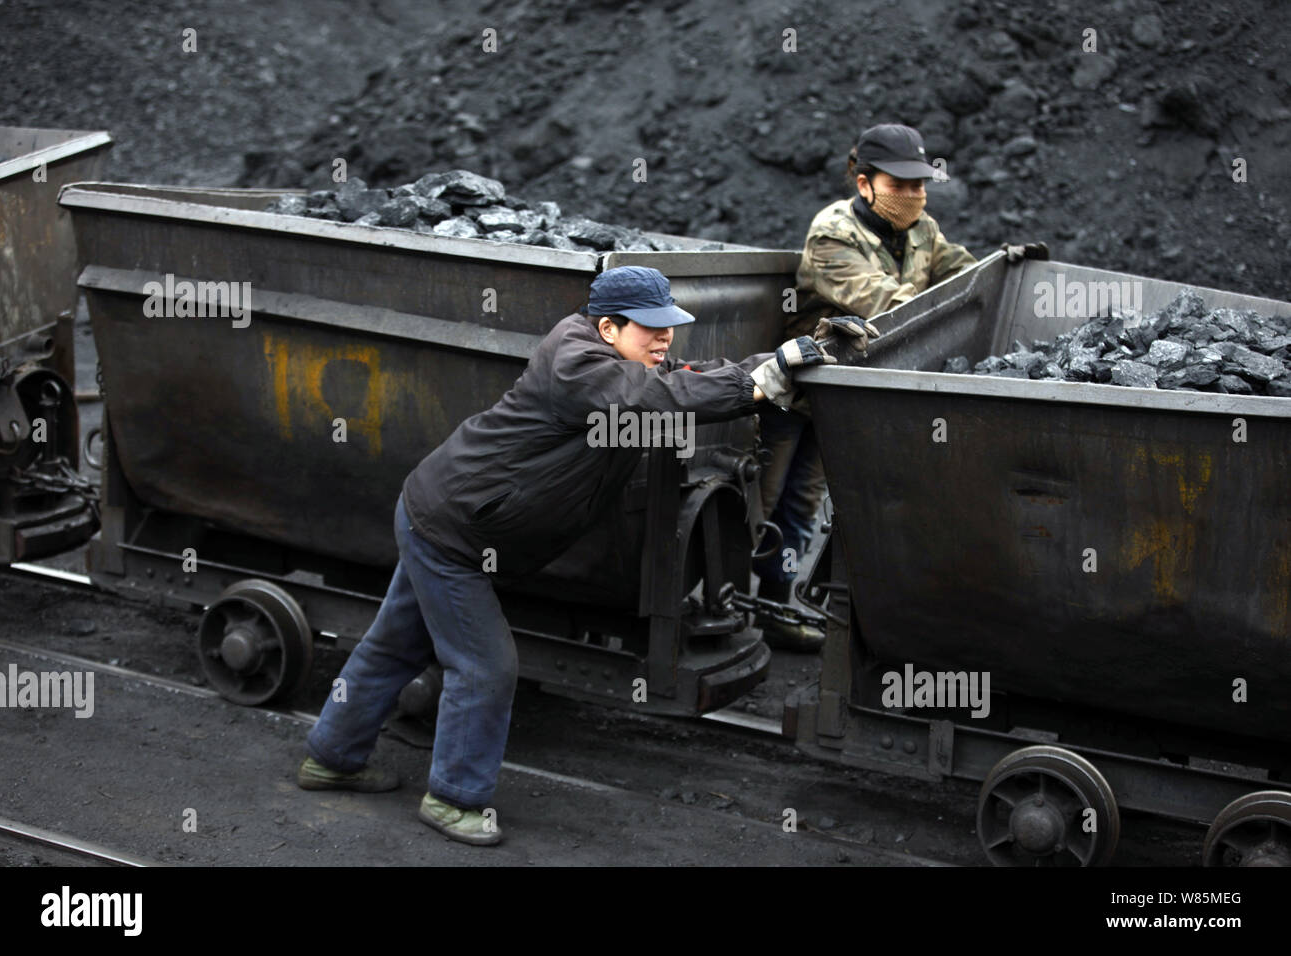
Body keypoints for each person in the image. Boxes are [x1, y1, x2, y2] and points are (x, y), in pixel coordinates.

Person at [297, 265, 830, 846]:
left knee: (396, 644)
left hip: (453, 518)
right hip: (453, 533)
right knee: (485, 667)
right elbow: (655, 397)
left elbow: (687, 377)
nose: (664, 339)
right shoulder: (576, 366)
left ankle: (330, 758)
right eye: (651, 329)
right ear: (607, 327)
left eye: (668, 326)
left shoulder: (623, 360)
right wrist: (760, 383)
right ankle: (454, 798)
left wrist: (791, 357)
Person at [753, 123, 977, 652]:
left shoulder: (923, 229)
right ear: (863, 184)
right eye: (900, 184)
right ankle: (712, 600)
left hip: (843, 396)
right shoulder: (832, 235)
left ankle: (772, 609)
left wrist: (1001, 273)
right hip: (793, 389)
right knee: (758, 503)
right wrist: (953, 309)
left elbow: (962, 271)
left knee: (802, 504)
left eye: (921, 184)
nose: (915, 195)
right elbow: (889, 305)